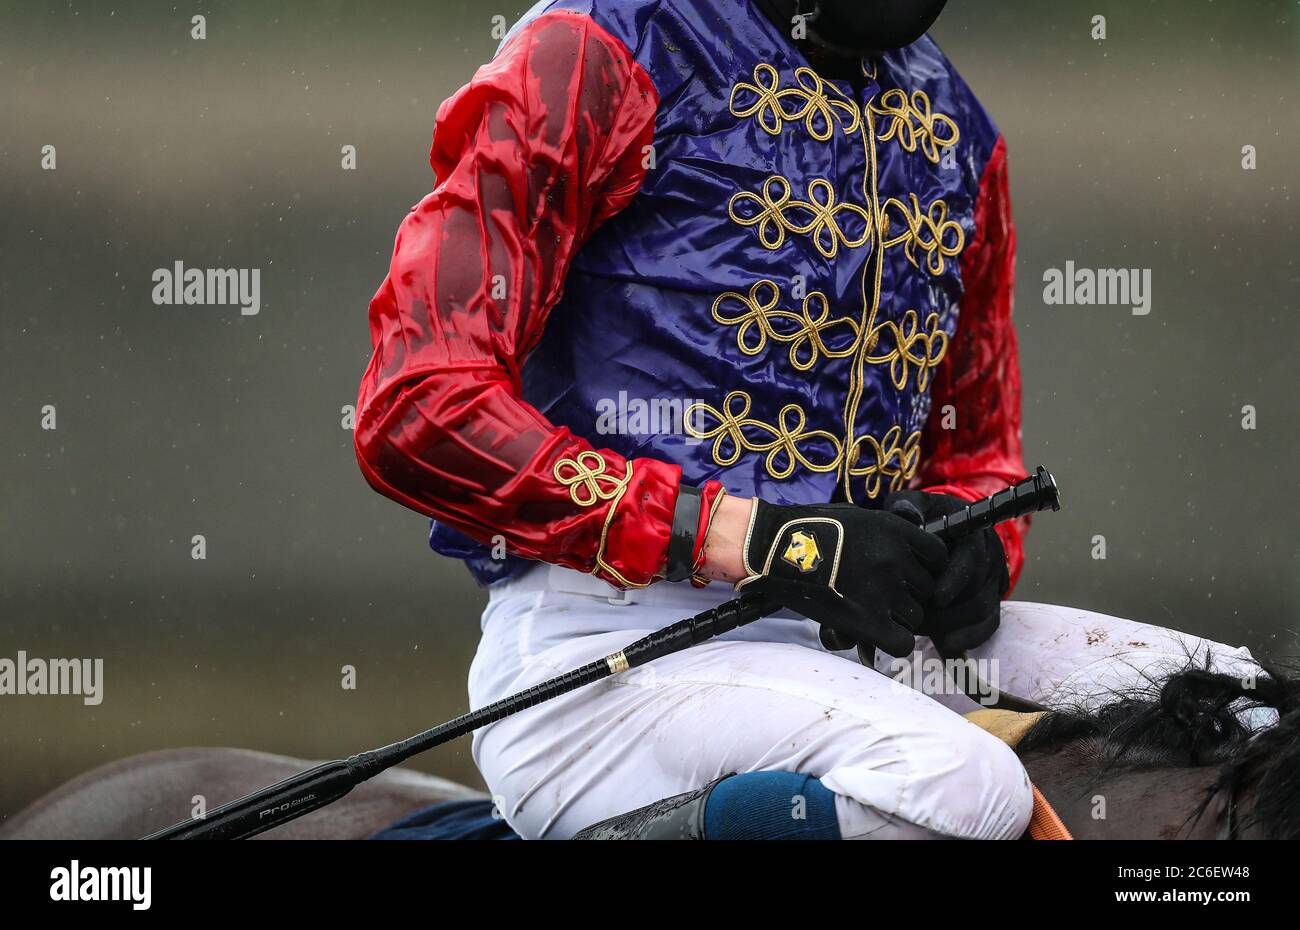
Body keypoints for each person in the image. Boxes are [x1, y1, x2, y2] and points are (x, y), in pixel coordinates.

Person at [354, 0, 1265, 839]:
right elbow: (417, 408)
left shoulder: (959, 125)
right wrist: (761, 540)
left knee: (1248, 702)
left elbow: (979, 454)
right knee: (961, 785)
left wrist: (973, 541)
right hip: (602, 653)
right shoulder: (595, 49)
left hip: (869, 649)